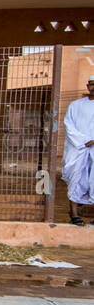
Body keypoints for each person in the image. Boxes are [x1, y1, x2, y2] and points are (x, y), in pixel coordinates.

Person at [62, 74, 94, 226]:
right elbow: (68, 125)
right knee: (75, 179)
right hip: (78, 149)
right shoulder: (75, 105)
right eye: (92, 84)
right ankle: (74, 215)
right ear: (88, 86)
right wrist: (83, 141)